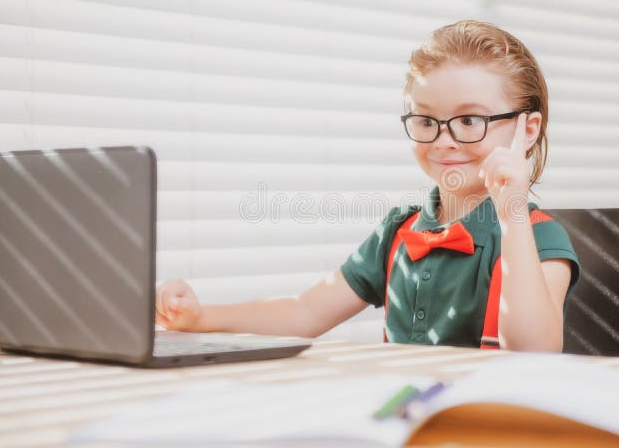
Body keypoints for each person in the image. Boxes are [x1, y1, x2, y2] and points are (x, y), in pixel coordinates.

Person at [156, 20, 580, 352]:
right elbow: (305, 312)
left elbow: (531, 353)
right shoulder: (399, 231)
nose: (443, 139)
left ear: (527, 129)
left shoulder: (540, 236)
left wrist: (512, 214)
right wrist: (200, 318)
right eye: (426, 120)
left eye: (470, 120)